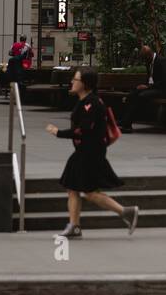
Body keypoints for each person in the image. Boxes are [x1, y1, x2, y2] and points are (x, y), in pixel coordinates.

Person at [45, 67, 138, 238]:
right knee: (73, 188)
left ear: (85, 84)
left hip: (90, 154)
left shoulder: (92, 104)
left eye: (75, 79)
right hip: (84, 152)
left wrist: (58, 132)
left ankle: (126, 212)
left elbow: (83, 130)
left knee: (90, 192)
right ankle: (74, 226)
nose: (72, 82)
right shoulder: (85, 101)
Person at [119, 43, 166, 133]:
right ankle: (125, 121)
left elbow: (165, 81)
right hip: (154, 87)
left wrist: (148, 87)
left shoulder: (162, 61)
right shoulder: (149, 62)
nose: (144, 61)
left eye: (145, 58)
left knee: (141, 96)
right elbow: (150, 78)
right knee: (132, 94)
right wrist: (144, 86)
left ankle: (127, 123)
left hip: (164, 89)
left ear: (149, 55)